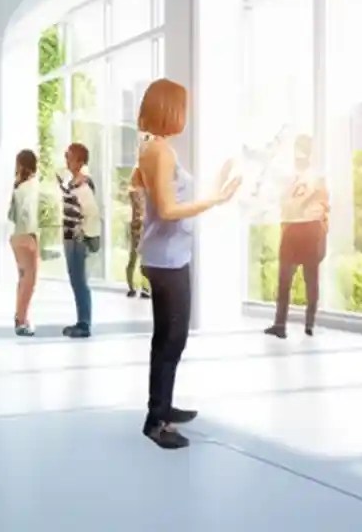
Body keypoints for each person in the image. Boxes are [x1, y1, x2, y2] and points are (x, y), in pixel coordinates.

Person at [135, 78, 241, 449]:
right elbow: (167, 209)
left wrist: (213, 189)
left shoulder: (152, 148)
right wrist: (215, 201)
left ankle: (161, 406)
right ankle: (156, 421)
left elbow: (155, 193)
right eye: (182, 107)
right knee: (172, 339)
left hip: (166, 255)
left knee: (166, 338)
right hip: (167, 258)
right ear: (170, 109)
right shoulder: (160, 152)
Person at [265, 134, 330, 339]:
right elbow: (324, 204)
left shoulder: (293, 175)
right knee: (305, 278)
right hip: (306, 228)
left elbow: (284, 202)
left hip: (299, 228)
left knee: (292, 278)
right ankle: (300, 324)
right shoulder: (316, 176)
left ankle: (286, 324)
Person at [58, 143, 101, 338]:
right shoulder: (73, 182)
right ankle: (81, 321)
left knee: (80, 281)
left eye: (70, 156)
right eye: (66, 155)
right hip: (70, 238)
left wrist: (82, 235)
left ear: (80, 161)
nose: (66, 159)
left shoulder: (84, 185)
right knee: (75, 281)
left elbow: (91, 213)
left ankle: (84, 324)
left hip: (78, 239)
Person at [9, 150, 40, 336]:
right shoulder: (31, 186)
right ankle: (21, 320)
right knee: (29, 281)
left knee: (22, 279)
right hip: (27, 234)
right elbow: (28, 213)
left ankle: (21, 317)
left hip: (15, 235)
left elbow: (12, 214)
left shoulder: (18, 186)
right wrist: (32, 237)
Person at [125, 170, 148, 299]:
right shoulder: (136, 193)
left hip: (140, 227)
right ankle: (136, 287)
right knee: (136, 258)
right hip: (138, 227)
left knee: (137, 259)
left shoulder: (141, 192)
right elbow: (139, 210)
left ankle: (138, 288)